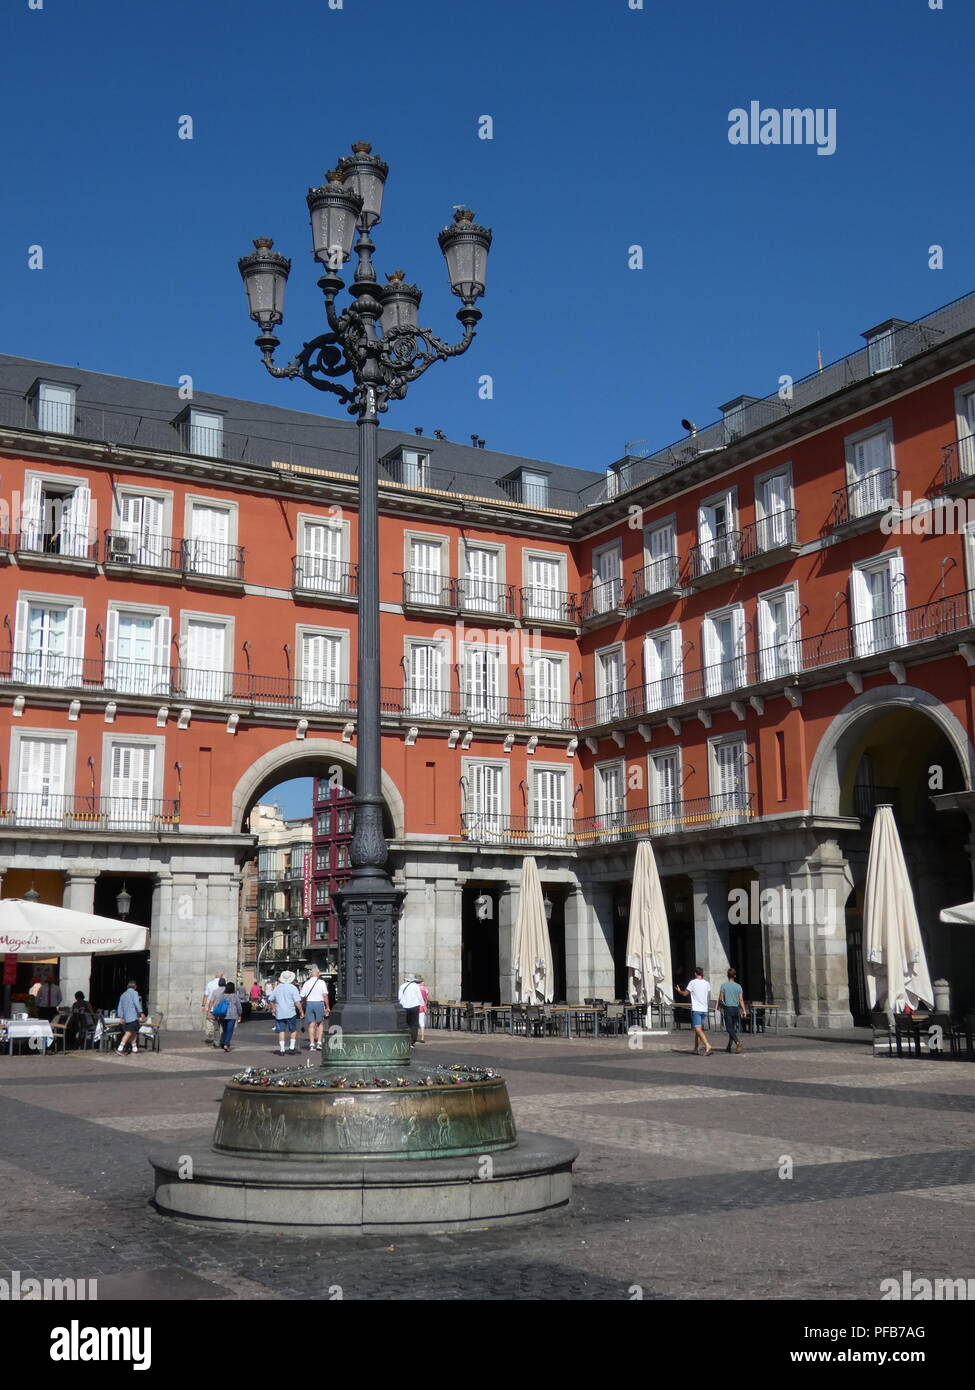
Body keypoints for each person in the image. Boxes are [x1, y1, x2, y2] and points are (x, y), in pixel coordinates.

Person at [675, 967, 714, 1056]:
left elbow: (685, 994)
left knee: (697, 1029)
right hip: (704, 1009)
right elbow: (706, 994)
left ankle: (707, 1045)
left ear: (696, 974)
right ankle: (696, 1048)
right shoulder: (707, 983)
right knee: (698, 1030)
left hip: (697, 1009)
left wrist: (679, 991)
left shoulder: (692, 982)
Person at [268, 970, 303, 1055]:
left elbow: (270, 999)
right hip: (291, 1012)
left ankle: (282, 1050)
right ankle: (291, 1048)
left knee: (281, 1031)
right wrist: (301, 1011)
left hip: (280, 1012)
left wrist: (273, 1009)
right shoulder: (293, 988)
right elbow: (297, 1002)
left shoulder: (278, 988)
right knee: (293, 1030)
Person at [299, 966, 331, 1052]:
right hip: (319, 1003)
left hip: (309, 1004)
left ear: (311, 974)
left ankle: (312, 1044)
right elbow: (325, 995)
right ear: (318, 974)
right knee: (320, 1023)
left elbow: (302, 996)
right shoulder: (322, 982)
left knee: (311, 1024)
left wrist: (301, 1007)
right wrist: (327, 1006)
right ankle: (319, 1043)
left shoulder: (306, 983)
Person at [718, 968, 748, 1053]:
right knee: (732, 1029)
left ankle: (738, 1042)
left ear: (727, 976)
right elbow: (741, 999)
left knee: (729, 1028)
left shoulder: (723, 985)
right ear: (735, 976)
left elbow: (721, 998)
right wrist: (744, 1010)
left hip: (728, 1009)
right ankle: (729, 1046)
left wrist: (720, 1006)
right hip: (736, 1009)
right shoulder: (738, 986)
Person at [210, 979, 242, 1052]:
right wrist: (240, 1014)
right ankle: (226, 1044)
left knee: (225, 1030)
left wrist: (215, 1013)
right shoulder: (235, 996)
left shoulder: (222, 995)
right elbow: (239, 1006)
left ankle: (224, 1042)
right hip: (232, 1016)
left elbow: (216, 1004)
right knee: (230, 1031)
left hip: (222, 1015)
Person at [115, 981, 145, 1055]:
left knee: (133, 1033)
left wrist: (121, 1016)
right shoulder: (135, 993)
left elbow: (120, 1007)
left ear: (127, 987)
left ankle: (135, 1049)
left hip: (126, 1017)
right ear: (135, 987)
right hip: (132, 1016)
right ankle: (120, 1048)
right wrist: (141, 1012)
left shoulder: (123, 995)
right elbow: (136, 1003)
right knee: (128, 1033)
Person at [398, 974, 423, 1047]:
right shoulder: (416, 986)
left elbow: (399, 997)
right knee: (414, 1024)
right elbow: (419, 996)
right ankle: (412, 1041)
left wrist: (403, 1003)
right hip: (414, 1006)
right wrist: (422, 1004)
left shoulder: (402, 986)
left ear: (407, 979)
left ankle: (405, 1040)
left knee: (406, 1023)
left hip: (405, 1006)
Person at [201, 970, 223, 1047]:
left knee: (209, 1022)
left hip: (210, 1006)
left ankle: (210, 1035)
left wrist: (203, 1005)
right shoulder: (223, 986)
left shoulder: (209, 984)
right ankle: (218, 1038)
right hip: (220, 1007)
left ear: (215, 976)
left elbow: (206, 995)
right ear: (221, 976)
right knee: (219, 1023)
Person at [416, 975, 429, 1043]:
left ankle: (413, 1036)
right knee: (422, 1022)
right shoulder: (425, 989)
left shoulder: (415, 988)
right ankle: (422, 1037)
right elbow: (426, 999)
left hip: (415, 1007)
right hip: (422, 1007)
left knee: (414, 1022)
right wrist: (425, 1006)